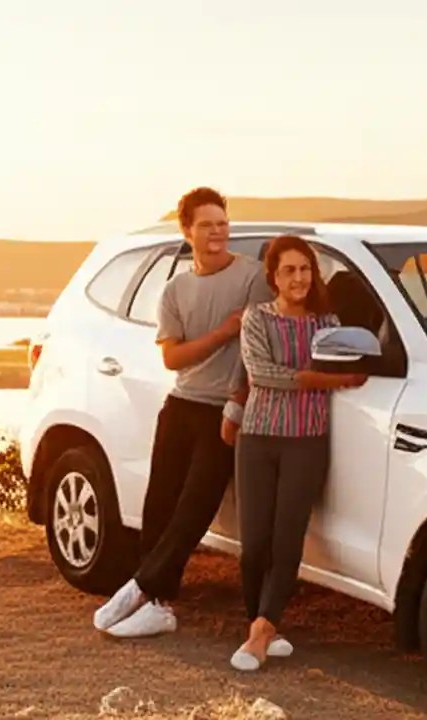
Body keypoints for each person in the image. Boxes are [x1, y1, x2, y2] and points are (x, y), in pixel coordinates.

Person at [92, 187, 272, 638]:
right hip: (180, 405)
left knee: (195, 507)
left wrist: (236, 397)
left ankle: (140, 588)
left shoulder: (253, 278)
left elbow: (259, 348)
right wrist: (222, 332)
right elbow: (172, 358)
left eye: (222, 223)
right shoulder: (176, 288)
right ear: (187, 230)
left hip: (223, 411)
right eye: (207, 224)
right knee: (160, 506)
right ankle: (156, 603)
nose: (218, 232)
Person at [228, 234, 367, 671]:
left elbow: (350, 363)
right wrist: (329, 381)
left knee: (287, 540)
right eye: (289, 270)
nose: (299, 277)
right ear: (273, 277)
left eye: (305, 269)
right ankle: (262, 624)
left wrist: (341, 375)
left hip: (306, 441)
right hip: (258, 439)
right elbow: (264, 375)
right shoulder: (257, 318)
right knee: (253, 544)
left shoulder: (329, 323)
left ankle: (261, 633)